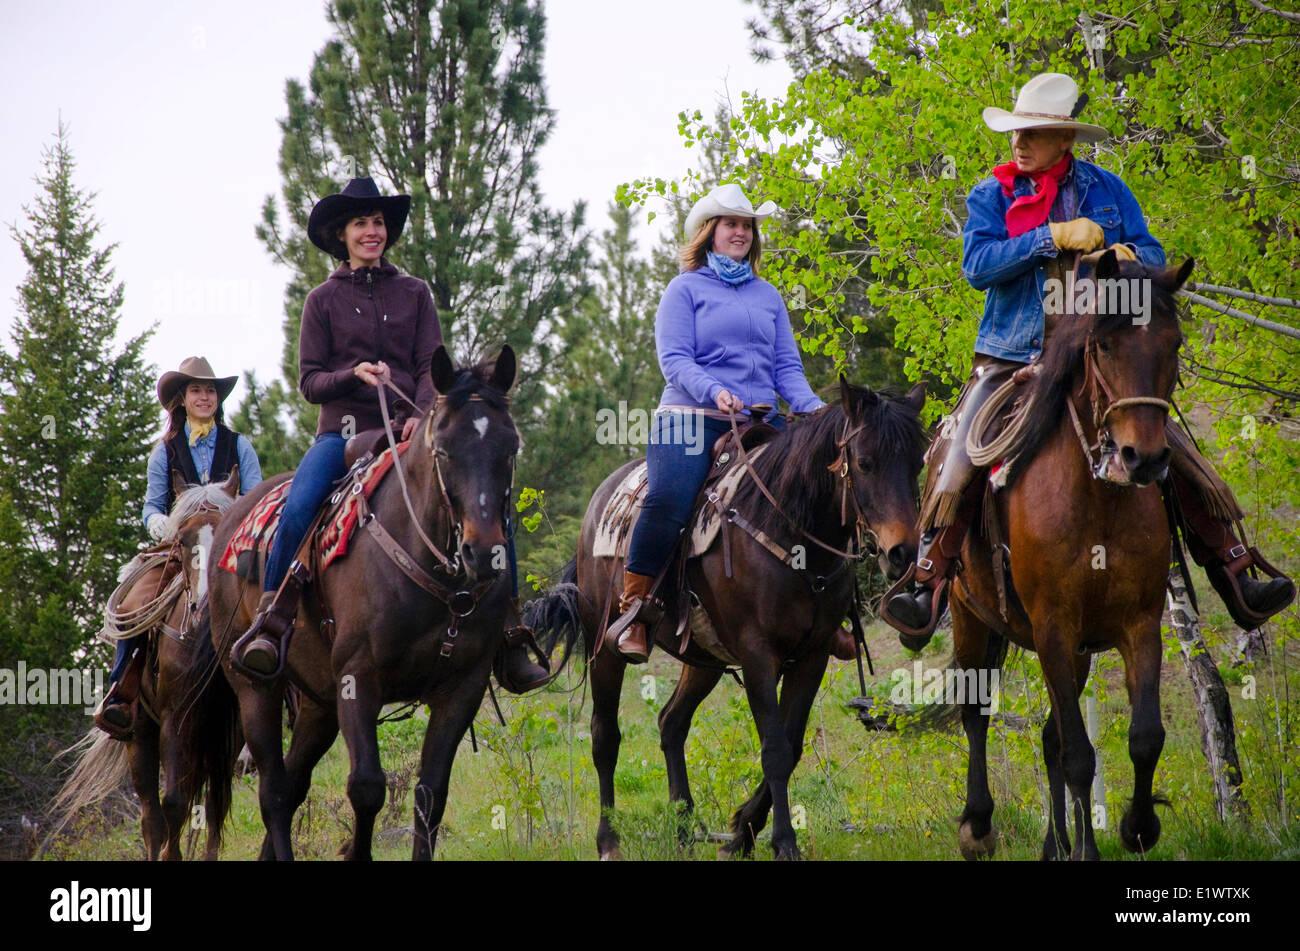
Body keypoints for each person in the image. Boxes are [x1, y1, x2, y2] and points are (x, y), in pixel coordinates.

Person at [884, 72, 1294, 644]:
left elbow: (1153, 252)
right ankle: (925, 581)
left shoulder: (1108, 188)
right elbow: (977, 266)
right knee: (960, 449)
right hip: (1009, 358)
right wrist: (1049, 238)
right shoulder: (991, 194)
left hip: (1096, 357)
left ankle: (1235, 567)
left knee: (1171, 444)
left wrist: (1126, 251)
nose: (1019, 143)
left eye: (1033, 134)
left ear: (1066, 141)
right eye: (1016, 132)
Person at [236, 177, 548, 691]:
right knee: (299, 506)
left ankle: (509, 632)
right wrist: (353, 374)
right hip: (341, 433)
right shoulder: (321, 301)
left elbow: (432, 366)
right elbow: (310, 381)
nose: (371, 231)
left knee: (487, 504)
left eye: (378, 222)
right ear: (343, 234)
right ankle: (271, 622)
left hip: (410, 428)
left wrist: (423, 414)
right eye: (361, 223)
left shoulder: (415, 293)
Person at [604, 183, 858, 664]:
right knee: (668, 498)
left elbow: (787, 369)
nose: (740, 232)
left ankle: (835, 610)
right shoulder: (684, 289)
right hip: (691, 417)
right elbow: (674, 359)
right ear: (709, 234)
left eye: (747, 226)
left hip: (760, 420)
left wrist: (814, 410)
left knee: (830, 490)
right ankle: (636, 609)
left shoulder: (768, 296)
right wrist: (713, 391)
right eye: (731, 224)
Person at [95, 357, 263, 737]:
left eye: (210, 391)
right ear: (182, 399)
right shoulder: (164, 450)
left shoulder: (241, 446)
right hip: (179, 549)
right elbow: (152, 505)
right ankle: (121, 691)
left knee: (274, 595)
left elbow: (255, 497)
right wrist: (161, 524)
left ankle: (286, 694)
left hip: (232, 548)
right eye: (196, 390)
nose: (204, 397)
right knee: (134, 604)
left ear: (218, 399)